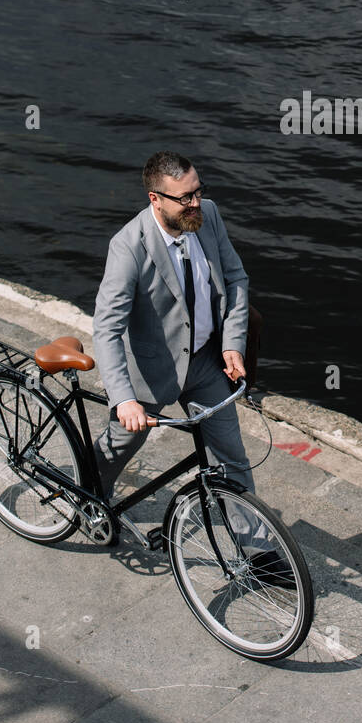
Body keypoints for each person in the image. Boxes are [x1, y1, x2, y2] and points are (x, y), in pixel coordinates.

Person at [92, 150, 258, 504]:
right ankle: (89, 493)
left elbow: (235, 278)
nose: (196, 203)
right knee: (116, 449)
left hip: (205, 362)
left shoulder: (208, 214)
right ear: (155, 199)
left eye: (198, 191)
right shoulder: (127, 248)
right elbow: (107, 328)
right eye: (185, 197)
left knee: (232, 460)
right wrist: (123, 400)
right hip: (149, 373)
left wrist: (232, 344)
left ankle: (257, 556)